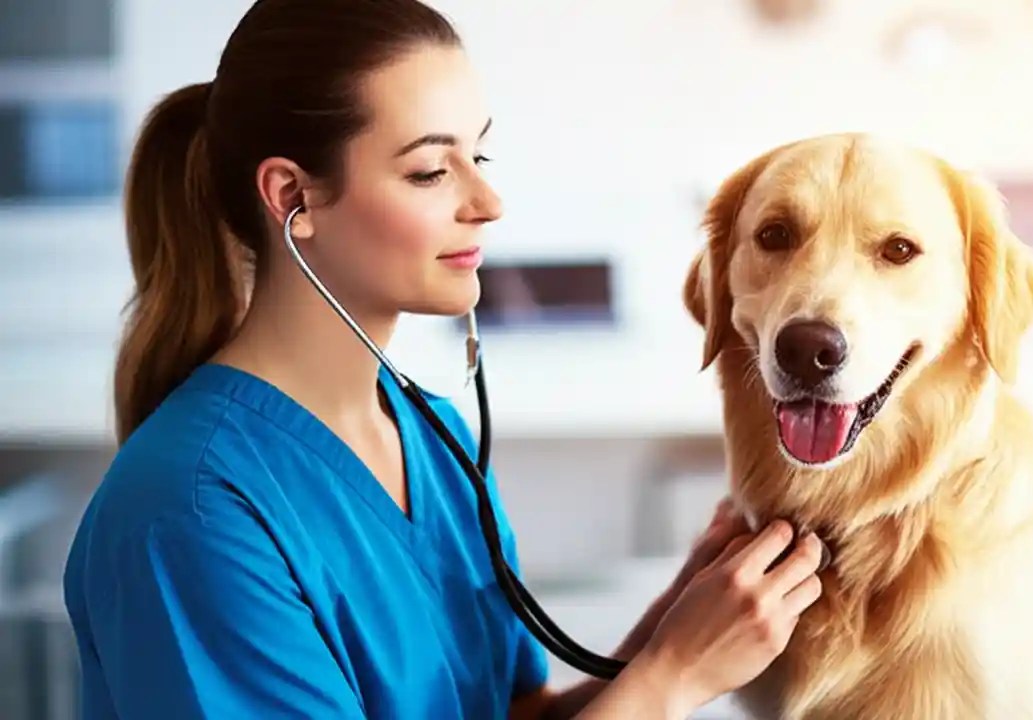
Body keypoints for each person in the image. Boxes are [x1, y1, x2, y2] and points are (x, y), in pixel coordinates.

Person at [60, 1, 827, 719]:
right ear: (293, 196)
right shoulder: (192, 514)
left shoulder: (438, 438)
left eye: (479, 154)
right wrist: (672, 679)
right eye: (431, 170)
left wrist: (659, 640)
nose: (487, 201)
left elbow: (513, 713)